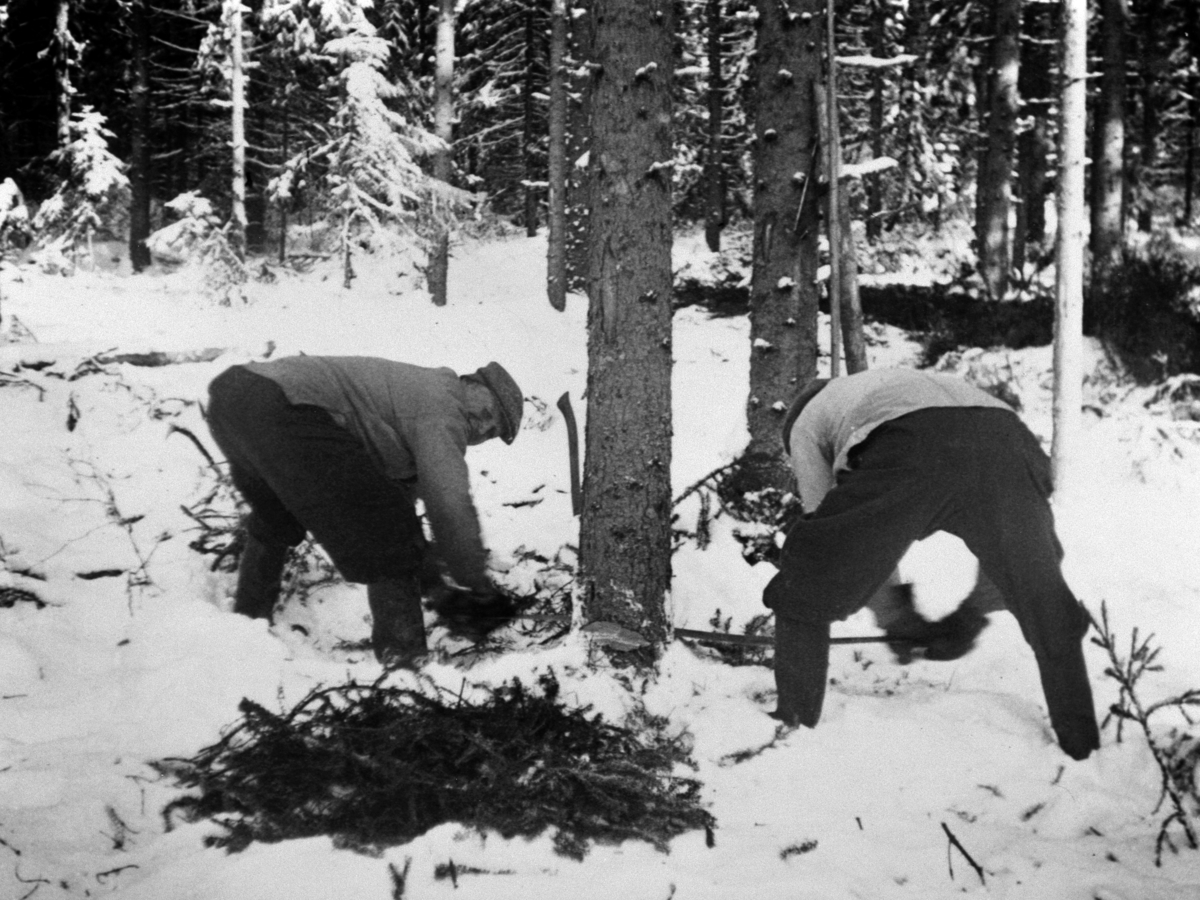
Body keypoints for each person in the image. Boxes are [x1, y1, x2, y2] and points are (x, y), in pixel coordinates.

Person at [764, 367, 1101, 761]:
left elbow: (839, 537)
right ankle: (1082, 749)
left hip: (915, 441)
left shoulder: (805, 424)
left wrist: (894, 615)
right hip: (1008, 437)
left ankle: (791, 727)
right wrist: (970, 615)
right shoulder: (876, 385)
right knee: (1038, 588)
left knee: (810, 573)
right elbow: (1006, 548)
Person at [205, 355, 524, 667]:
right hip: (283, 403)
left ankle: (245, 627)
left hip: (233, 398)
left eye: (492, 431)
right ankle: (405, 670)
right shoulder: (442, 404)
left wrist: (437, 581)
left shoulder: (408, 403)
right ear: (469, 382)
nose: (481, 426)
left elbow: (395, 500)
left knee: (277, 515)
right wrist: (476, 585)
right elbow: (448, 501)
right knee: (391, 544)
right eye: (486, 411)